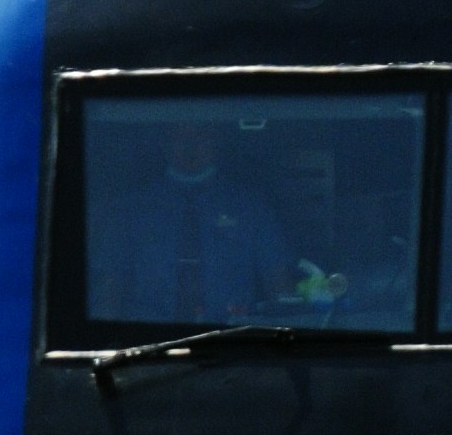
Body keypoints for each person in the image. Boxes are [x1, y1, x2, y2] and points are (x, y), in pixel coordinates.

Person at [86, 118, 300, 325]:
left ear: (216, 141)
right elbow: (110, 288)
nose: (191, 146)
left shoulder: (251, 209)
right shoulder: (130, 211)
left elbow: (279, 285)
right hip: (146, 342)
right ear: (164, 143)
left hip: (232, 339)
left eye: (202, 136)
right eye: (180, 137)